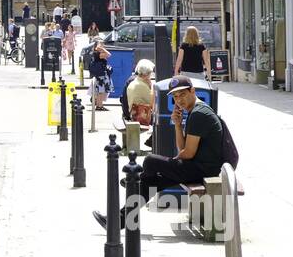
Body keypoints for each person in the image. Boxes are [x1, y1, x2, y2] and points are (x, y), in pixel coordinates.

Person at [93, 75, 223, 228]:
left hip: (203, 169)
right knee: (151, 183)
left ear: (192, 91)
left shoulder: (199, 114)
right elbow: (183, 149)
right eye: (175, 96)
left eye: (183, 94)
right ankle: (117, 221)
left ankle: (135, 181)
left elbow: (187, 153)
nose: (179, 100)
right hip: (198, 166)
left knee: (150, 161)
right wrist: (177, 124)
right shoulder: (194, 111)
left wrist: (173, 161)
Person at [126, 59, 156, 126]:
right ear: (146, 74)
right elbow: (152, 103)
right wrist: (151, 87)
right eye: (150, 74)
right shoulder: (142, 86)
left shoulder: (134, 82)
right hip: (141, 117)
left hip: (133, 114)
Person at [88, 40, 114, 110]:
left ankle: (100, 104)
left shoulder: (99, 52)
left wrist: (102, 49)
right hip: (101, 75)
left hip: (102, 74)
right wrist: (102, 49)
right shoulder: (97, 53)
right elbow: (109, 55)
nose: (102, 45)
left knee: (102, 91)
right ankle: (99, 106)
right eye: (100, 44)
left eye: (102, 44)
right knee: (101, 91)